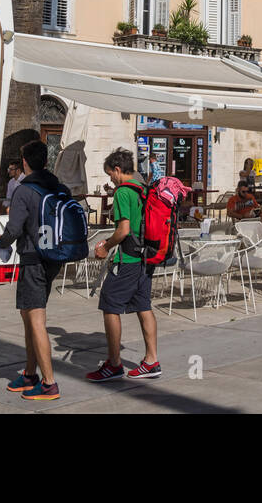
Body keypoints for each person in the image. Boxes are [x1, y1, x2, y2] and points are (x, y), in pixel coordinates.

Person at [0, 139, 67, 400]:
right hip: (54, 257)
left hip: (33, 258)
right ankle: (29, 373)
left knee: (36, 320)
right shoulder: (59, 187)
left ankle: (49, 383)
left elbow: (13, 229)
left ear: (25, 163)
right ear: (45, 162)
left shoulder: (24, 190)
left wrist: (0, 242)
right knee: (28, 315)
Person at [87, 149, 161, 382]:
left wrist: (105, 247)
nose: (111, 179)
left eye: (110, 174)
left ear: (118, 170)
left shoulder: (123, 192)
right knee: (144, 306)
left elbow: (123, 230)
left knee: (110, 305)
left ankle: (114, 364)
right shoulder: (144, 189)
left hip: (128, 259)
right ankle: (151, 361)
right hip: (146, 258)